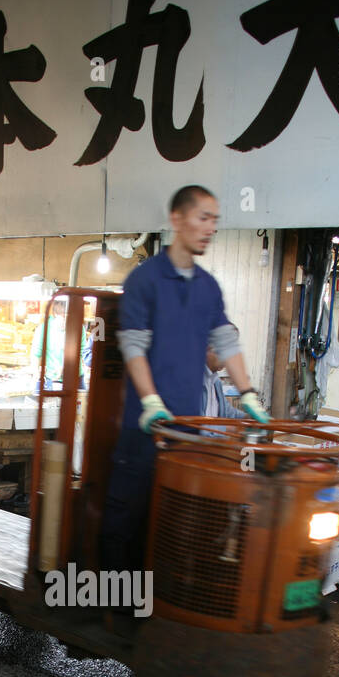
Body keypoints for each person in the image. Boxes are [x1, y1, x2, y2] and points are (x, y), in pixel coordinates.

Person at [100, 185, 269, 572]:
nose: (211, 228)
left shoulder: (208, 287)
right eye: (203, 218)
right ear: (177, 220)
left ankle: (156, 609)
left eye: (215, 220)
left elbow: (227, 341)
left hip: (188, 433)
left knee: (173, 525)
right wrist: (151, 401)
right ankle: (111, 615)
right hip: (146, 429)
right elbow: (134, 347)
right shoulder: (145, 280)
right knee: (126, 520)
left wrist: (248, 395)